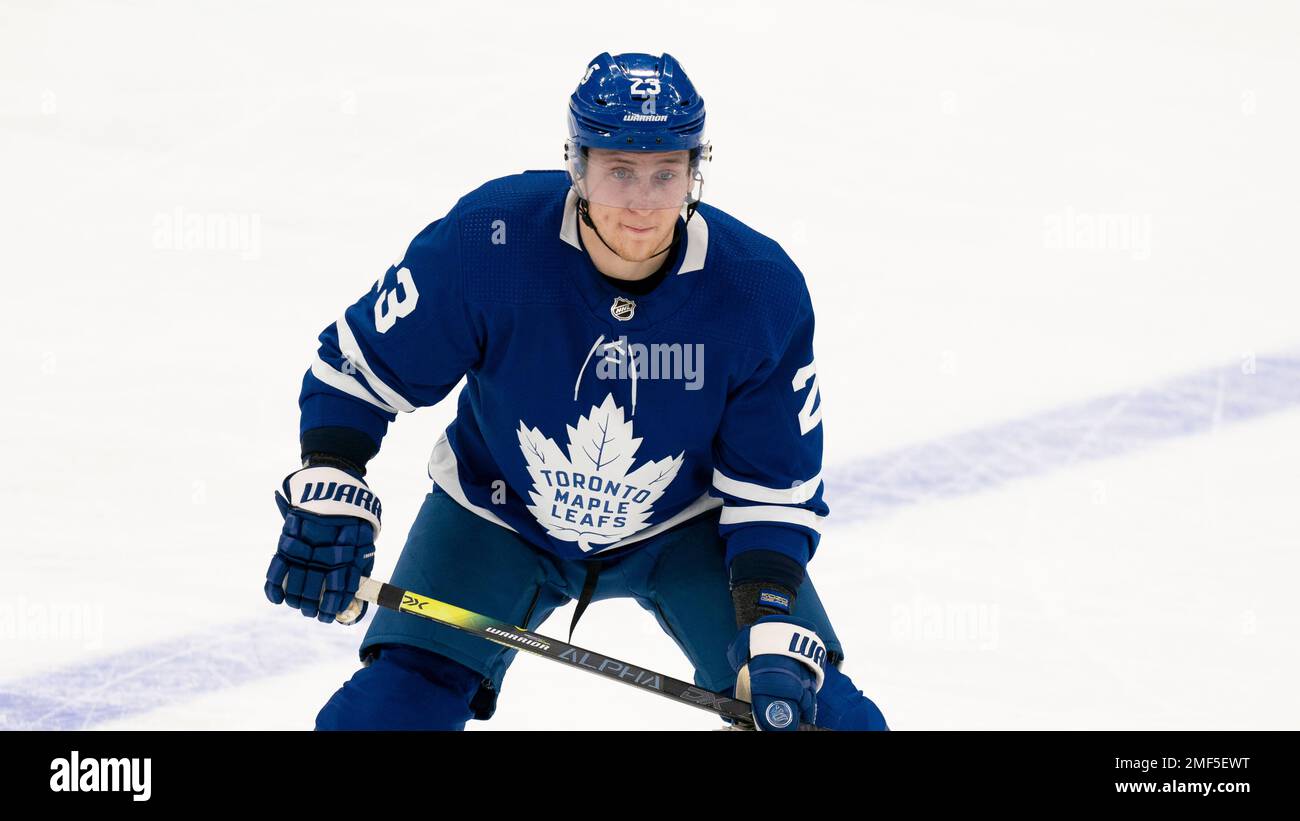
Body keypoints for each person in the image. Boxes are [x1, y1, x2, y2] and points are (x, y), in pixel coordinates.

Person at [265, 52, 889, 731]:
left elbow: (774, 487)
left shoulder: (757, 290)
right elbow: (358, 369)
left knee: (819, 716)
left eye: (666, 172)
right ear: (578, 164)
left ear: (694, 171)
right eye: (620, 170)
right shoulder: (490, 241)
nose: (644, 201)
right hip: (497, 513)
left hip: (686, 527)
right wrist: (331, 469)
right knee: (390, 711)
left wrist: (767, 616)